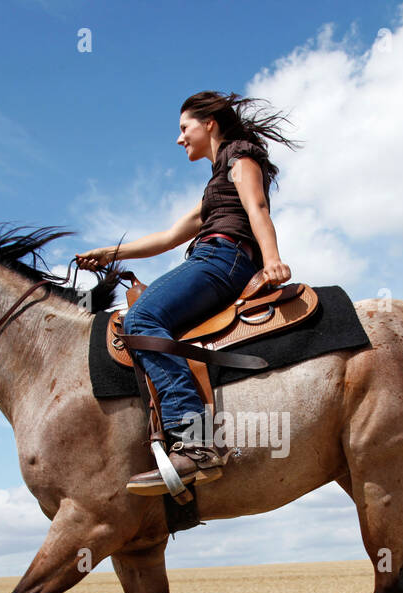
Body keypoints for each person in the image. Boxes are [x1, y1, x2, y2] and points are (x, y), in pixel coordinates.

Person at [76, 91, 300, 496]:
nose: (179, 138)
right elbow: (168, 237)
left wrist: (272, 260)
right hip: (217, 256)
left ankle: (194, 442)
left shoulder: (239, 159)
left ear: (209, 123)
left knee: (141, 319)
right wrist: (109, 253)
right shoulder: (216, 187)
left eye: (184, 128)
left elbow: (258, 209)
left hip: (223, 257)